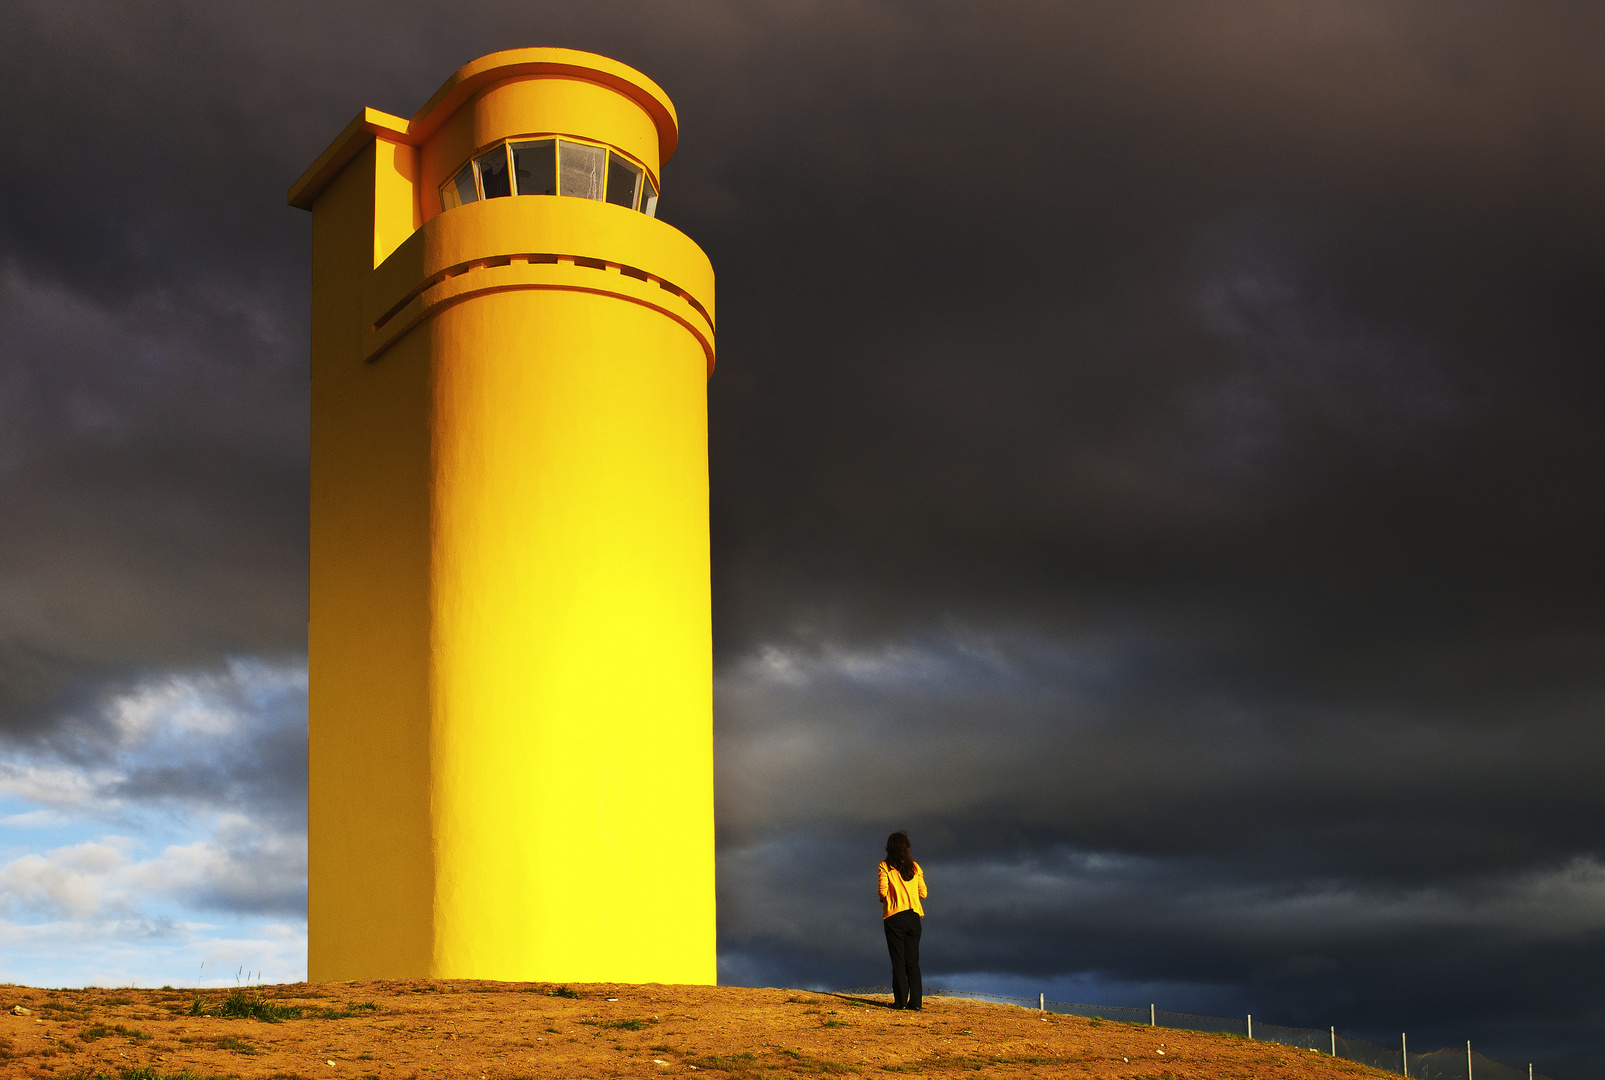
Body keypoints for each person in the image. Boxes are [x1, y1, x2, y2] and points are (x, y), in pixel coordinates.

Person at [877, 830, 927, 1010]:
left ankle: (900, 1003)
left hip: (894, 917)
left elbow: (883, 890)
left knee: (898, 960)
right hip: (914, 917)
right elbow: (924, 893)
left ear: (889, 848)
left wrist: (884, 898)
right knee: (912, 962)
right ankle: (916, 1003)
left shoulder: (885, 866)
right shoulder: (915, 867)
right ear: (907, 848)